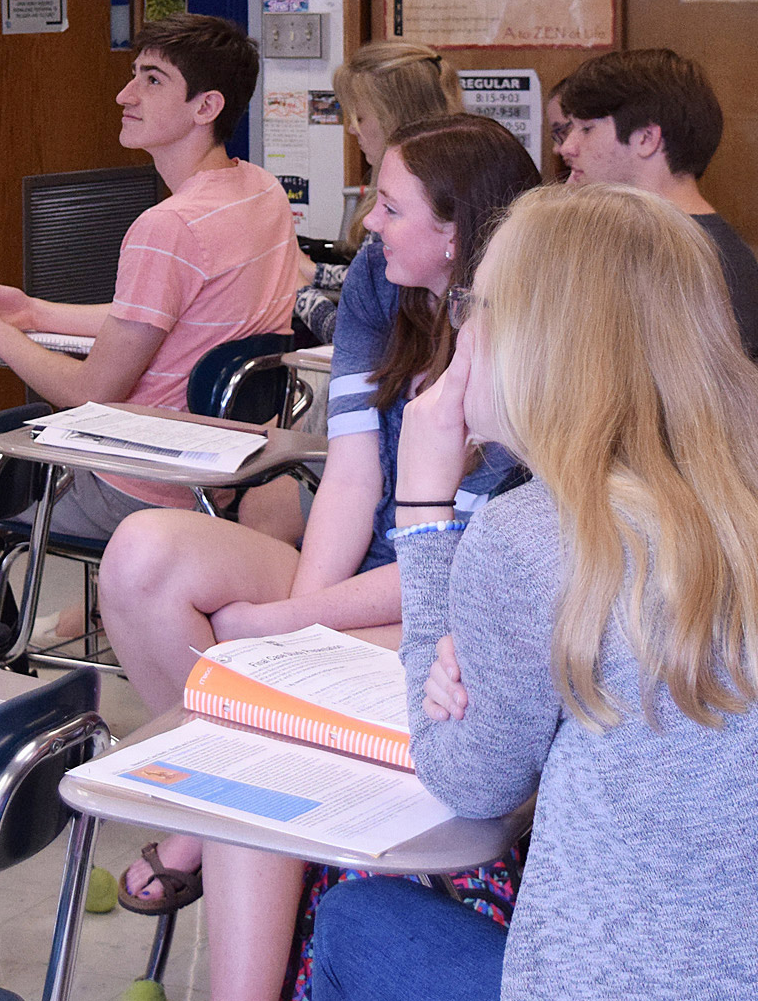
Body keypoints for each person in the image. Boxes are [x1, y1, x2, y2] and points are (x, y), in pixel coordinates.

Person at [310, 183, 758, 1000]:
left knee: (359, 922)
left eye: (480, 304)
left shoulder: (530, 538)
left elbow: (466, 781)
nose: (462, 327)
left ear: (540, 340)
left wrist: (427, 509)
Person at [96, 115, 539, 995]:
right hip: (368, 568)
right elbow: (348, 476)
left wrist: (283, 634)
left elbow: (447, 563)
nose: (365, 224)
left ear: (456, 234)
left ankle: (209, 845)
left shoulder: (529, 327)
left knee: (259, 699)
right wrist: (292, 632)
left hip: (450, 595)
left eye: (389, 204)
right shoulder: (382, 277)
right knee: (142, 555)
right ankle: (222, 797)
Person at [0, 13, 307, 544]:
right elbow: (162, 320)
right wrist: (34, 313)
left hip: (138, 485)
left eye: (152, 80)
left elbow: (90, 392)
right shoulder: (260, 190)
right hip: (221, 472)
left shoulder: (168, 227)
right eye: (134, 74)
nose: (124, 95)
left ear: (206, 107)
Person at [551, 48, 758, 353]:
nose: (566, 148)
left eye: (586, 129)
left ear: (646, 138)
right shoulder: (635, 234)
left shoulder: (710, 261)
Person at [298, 42, 462, 342]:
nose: (352, 129)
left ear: (392, 121)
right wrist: (311, 271)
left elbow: (359, 337)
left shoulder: (407, 205)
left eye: (360, 118)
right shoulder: (448, 178)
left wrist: (298, 294)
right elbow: (375, 284)